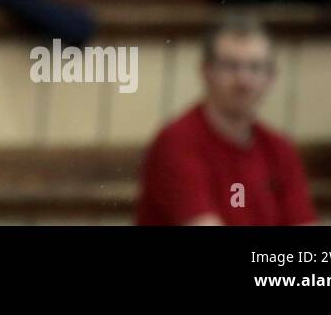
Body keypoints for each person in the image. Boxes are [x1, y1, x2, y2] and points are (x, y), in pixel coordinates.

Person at [136, 14, 318, 226]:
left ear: (271, 76)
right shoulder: (177, 142)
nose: (243, 81)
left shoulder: (279, 148)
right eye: (231, 66)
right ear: (206, 71)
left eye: (255, 67)